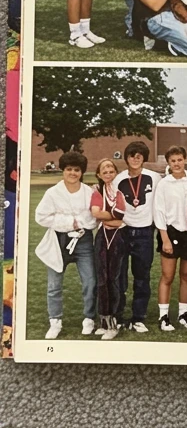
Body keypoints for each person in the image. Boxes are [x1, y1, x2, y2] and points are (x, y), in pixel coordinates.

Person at [34, 151, 98, 339]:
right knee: (54, 284)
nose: (72, 173)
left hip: (84, 241)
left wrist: (79, 223)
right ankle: (55, 320)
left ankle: (89, 318)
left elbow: (93, 218)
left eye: (77, 170)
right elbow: (41, 216)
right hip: (58, 240)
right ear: (63, 170)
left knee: (90, 281)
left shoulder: (89, 192)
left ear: (82, 172)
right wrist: (69, 221)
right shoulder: (53, 193)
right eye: (69, 169)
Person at [152, 145, 187, 333]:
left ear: (185, 160)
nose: (177, 164)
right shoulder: (164, 184)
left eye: (179, 160)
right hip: (170, 233)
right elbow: (159, 212)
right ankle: (163, 316)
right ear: (168, 163)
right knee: (168, 276)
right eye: (173, 161)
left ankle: (183, 314)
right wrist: (164, 239)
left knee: (186, 275)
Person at [111, 141, 159, 333]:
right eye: (132, 155)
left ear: (144, 158)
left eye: (139, 155)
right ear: (127, 158)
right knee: (119, 276)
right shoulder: (118, 179)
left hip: (145, 232)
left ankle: (138, 317)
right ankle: (118, 316)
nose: (136, 158)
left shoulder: (154, 178)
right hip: (123, 231)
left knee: (142, 277)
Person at [89, 158, 127, 340]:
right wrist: (112, 217)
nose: (108, 172)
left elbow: (121, 216)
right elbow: (96, 213)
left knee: (114, 279)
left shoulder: (119, 193)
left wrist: (109, 217)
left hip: (117, 238)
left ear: (115, 173)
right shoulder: (97, 192)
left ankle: (114, 321)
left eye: (111, 169)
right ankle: (104, 320)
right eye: (104, 170)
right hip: (102, 238)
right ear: (99, 174)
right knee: (102, 279)